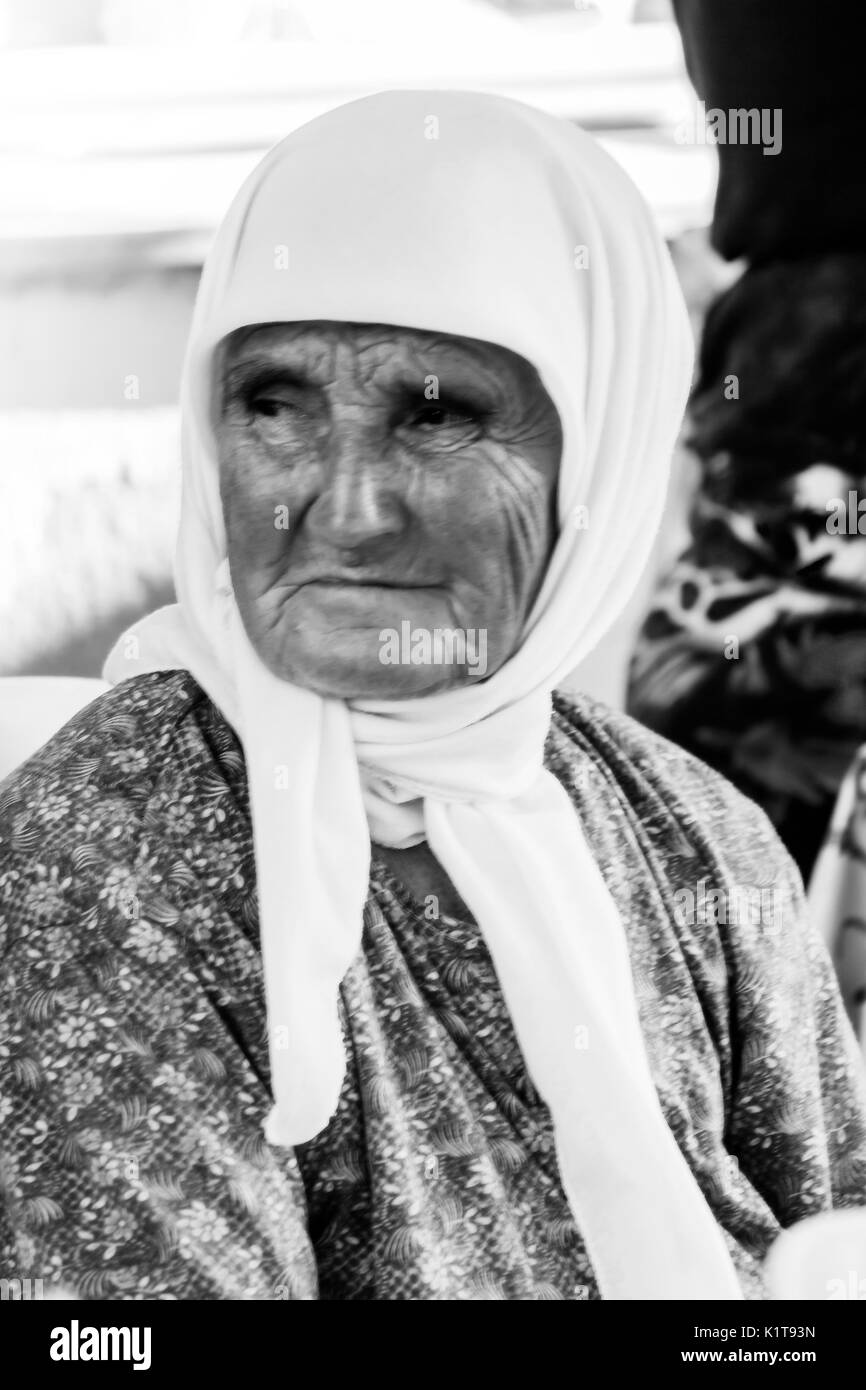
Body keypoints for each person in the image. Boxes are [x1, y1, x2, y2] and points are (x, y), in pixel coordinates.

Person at [0, 91, 863, 1303]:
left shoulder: (698, 845)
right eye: (273, 404)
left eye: (438, 412)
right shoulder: (107, 847)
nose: (345, 507)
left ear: (596, 452)